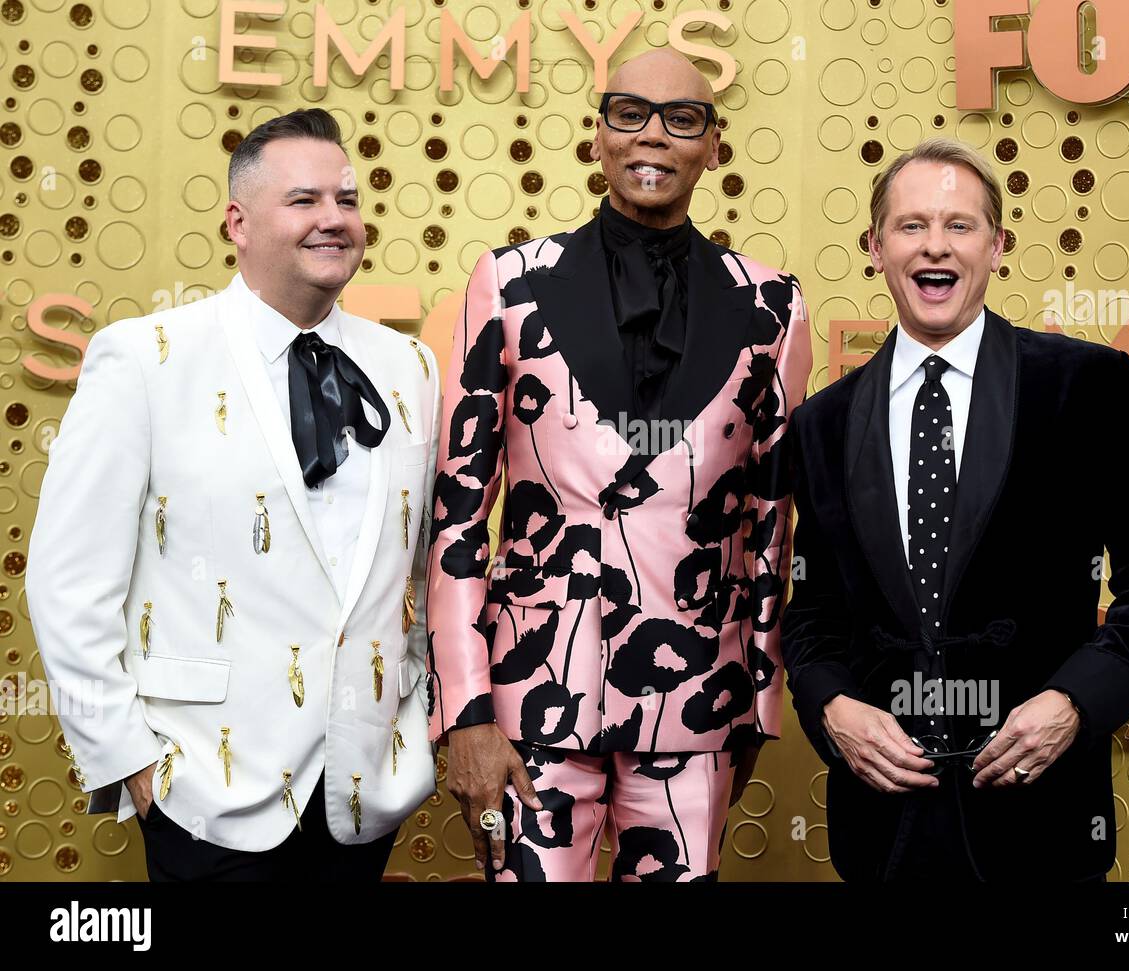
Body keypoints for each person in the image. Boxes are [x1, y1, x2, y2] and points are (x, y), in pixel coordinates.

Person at [425, 49, 811, 881]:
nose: (653, 136)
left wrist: (756, 699)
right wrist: (465, 709)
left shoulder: (771, 304)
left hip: (698, 699)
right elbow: (457, 514)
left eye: (682, 118)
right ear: (597, 135)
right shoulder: (509, 283)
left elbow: (771, 522)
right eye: (630, 113)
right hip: (529, 697)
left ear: (714, 145)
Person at [27, 108, 439, 881]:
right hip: (204, 793)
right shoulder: (145, 358)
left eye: (347, 199)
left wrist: (409, 718)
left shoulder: (410, 366)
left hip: (365, 793)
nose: (334, 218)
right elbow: (68, 582)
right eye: (304, 199)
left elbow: (416, 572)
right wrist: (131, 764)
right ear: (238, 223)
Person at [780, 137, 1129, 882]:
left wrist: (1074, 703)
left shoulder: (1086, 386)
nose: (934, 245)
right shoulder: (822, 422)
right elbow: (813, 614)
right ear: (874, 247)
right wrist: (833, 706)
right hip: (883, 832)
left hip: (1042, 820)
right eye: (911, 225)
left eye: (959, 225)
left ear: (997, 246)